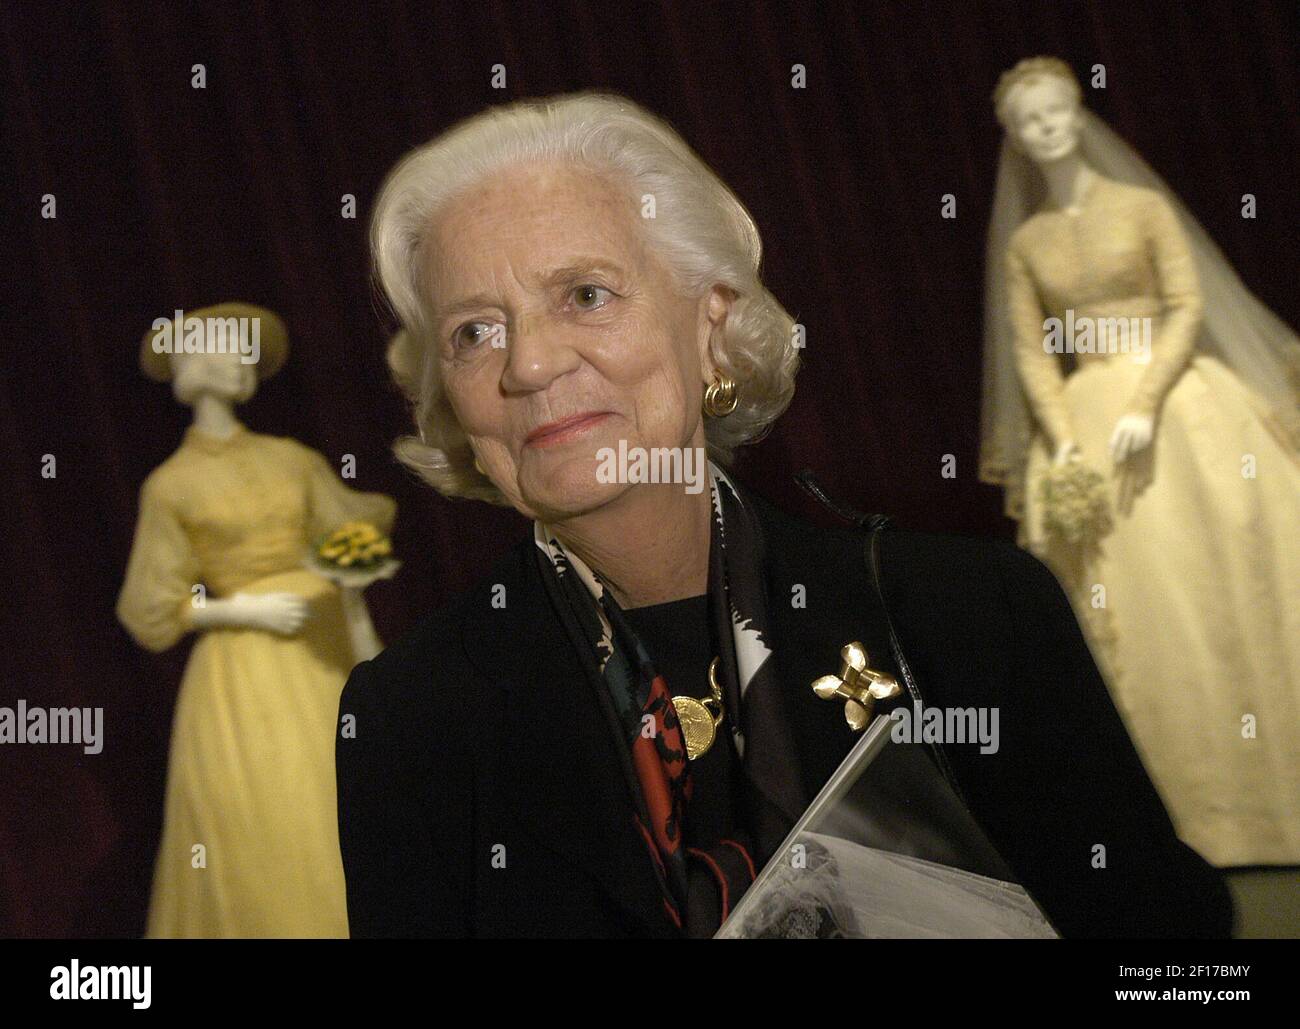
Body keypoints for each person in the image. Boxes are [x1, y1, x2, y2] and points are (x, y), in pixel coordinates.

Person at [338, 92, 1231, 938]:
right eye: (473, 332)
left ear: (711, 325)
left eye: (586, 294)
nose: (529, 363)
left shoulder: (972, 614)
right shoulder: (413, 719)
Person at [979, 58, 1300, 867]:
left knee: (1232, 581)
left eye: (1057, 113)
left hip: (1183, 407)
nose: (1048, 130)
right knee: (1137, 608)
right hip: (1087, 426)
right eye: (1031, 122)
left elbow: (1189, 303)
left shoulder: (1142, 207)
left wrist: (1145, 400)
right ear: (1013, 138)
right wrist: (1066, 439)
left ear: (1078, 112)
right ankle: (1189, 821)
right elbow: (1032, 352)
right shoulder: (1027, 244)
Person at [117, 303, 396, 936]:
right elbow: (150, 608)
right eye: (222, 349)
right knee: (272, 823)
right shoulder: (171, 485)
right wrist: (238, 608)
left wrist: (363, 636)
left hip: (322, 652)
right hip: (244, 671)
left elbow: (349, 543)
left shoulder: (291, 460)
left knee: (347, 804)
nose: (238, 363)